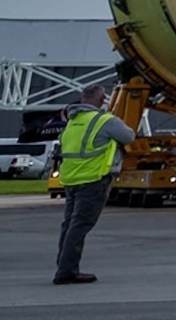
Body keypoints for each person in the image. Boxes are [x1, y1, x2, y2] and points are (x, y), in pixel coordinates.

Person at [49, 83, 139, 284]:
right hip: (93, 179)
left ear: (82, 99)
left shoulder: (73, 121)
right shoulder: (104, 120)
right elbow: (129, 136)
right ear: (102, 99)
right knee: (80, 226)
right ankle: (66, 271)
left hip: (71, 179)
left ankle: (64, 266)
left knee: (69, 224)